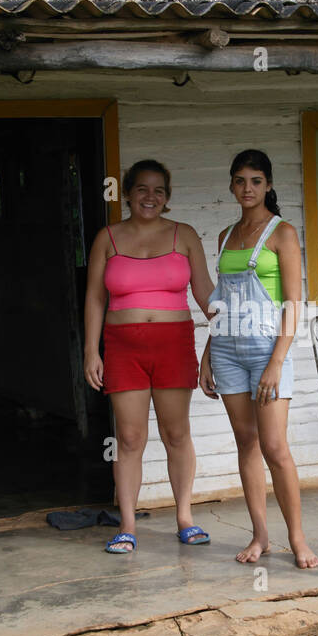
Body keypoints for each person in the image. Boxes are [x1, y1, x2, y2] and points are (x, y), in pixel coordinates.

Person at [83, 160, 215, 553]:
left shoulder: (184, 235)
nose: (150, 197)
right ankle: (127, 525)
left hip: (174, 342)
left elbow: (206, 293)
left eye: (159, 191)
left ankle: (185, 518)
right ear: (127, 193)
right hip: (123, 345)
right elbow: (94, 297)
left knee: (176, 433)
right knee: (129, 436)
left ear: (168, 198)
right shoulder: (107, 237)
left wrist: (226, 335)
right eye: (142, 189)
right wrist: (92, 350)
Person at [200, 150, 318, 569]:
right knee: (246, 442)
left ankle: (298, 539)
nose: (246, 189)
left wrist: (276, 362)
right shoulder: (225, 236)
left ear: (268, 185)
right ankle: (260, 535)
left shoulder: (282, 233)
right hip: (228, 350)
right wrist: (207, 355)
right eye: (239, 181)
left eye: (255, 181)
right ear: (231, 186)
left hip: (269, 350)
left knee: (274, 446)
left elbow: (293, 303)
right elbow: (220, 304)